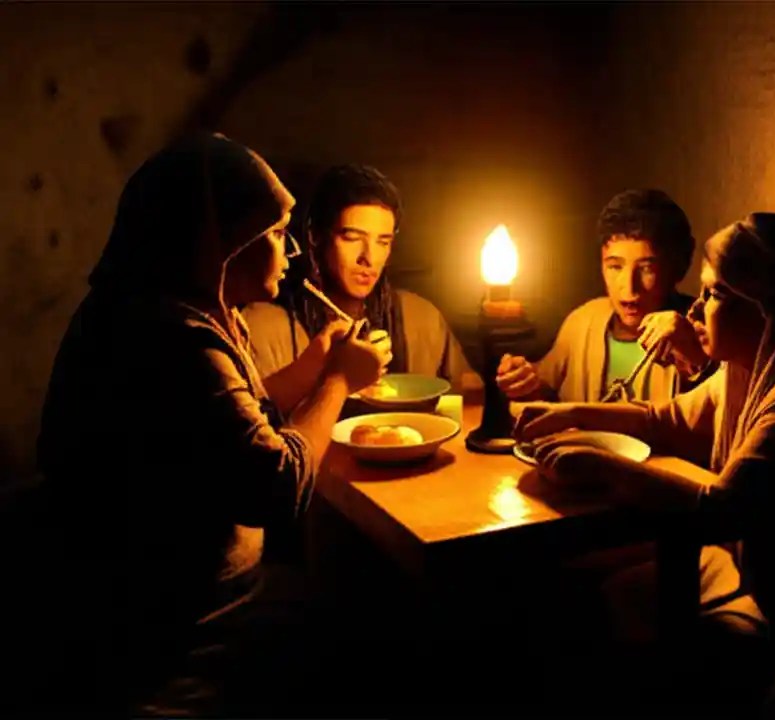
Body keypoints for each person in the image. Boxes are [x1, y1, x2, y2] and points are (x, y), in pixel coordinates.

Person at [36, 133, 390, 716]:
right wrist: (337, 383)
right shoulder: (175, 339)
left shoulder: (164, 308)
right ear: (223, 241)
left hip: (184, 596)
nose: (289, 252)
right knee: (369, 631)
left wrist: (312, 366)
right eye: (275, 233)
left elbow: (227, 427)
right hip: (176, 624)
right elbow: (276, 486)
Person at [515, 213, 775, 695]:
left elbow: (721, 508)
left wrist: (600, 463)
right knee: (598, 594)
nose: (695, 310)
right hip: (750, 572)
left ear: (764, 307)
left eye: (714, 294)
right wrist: (569, 412)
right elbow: (665, 418)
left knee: (624, 632)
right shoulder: (748, 369)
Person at [243, 164, 477, 400]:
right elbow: (246, 414)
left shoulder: (420, 319)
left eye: (383, 242)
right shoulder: (265, 328)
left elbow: (470, 396)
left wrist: (499, 378)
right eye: (352, 238)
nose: (369, 258)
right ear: (316, 236)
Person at [497, 189, 715, 403]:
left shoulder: (704, 330)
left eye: (646, 268)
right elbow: (544, 391)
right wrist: (522, 381)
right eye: (615, 266)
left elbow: (722, 404)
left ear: (678, 267)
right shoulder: (584, 322)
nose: (629, 287)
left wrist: (694, 356)